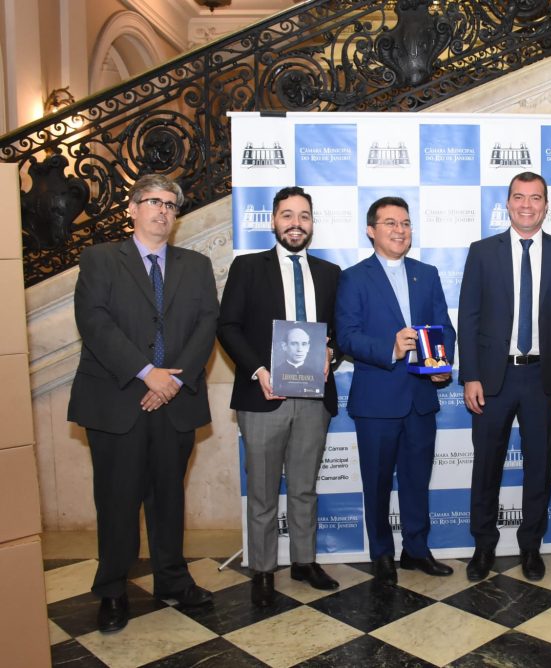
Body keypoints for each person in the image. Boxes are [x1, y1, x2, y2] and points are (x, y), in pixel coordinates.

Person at [68, 174, 218, 632]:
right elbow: (94, 322)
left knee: (169, 497)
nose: (162, 211)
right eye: (152, 202)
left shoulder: (196, 264)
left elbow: (207, 323)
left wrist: (171, 382)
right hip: (117, 402)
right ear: (131, 209)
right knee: (117, 500)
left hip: (175, 400)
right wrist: (146, 373)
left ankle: (172, 579)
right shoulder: (99, 260)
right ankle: (112, 589)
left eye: (171, 205)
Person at [218, 186, 341, 607]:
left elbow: (338, 332)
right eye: (287, 215)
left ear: (312, 223)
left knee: (305, 487)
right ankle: (264, 570)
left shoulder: (329, 273)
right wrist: (258, 370)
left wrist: (332, 351)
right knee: (264, 490)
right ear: (273, 221)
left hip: (313, 399)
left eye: (303, 216)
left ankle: (305, 562)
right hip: (263, 396)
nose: (296, 223)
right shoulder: (248, 267)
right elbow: (228, 326)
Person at [459, 172, 551, 582]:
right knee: (486, 467)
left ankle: (531, 546)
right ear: (507, 203)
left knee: (538, 468)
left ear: (546, 205)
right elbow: (469, 317)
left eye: (535, 198)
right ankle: (483, 547)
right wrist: (470, 376)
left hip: (542, 379)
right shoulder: (482, 252)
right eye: (518, 197)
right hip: (493, 379)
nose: (526, 205)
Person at [336, 196, 456, 583]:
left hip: (421, 398)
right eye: (389, 223)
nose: (399, 230)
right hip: (376, 402)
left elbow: (444, 328)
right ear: (371, 230)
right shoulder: (354, 277)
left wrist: (442, 366)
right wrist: (391, 346)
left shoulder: (428, 272)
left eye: (404, 223)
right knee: (377, 482)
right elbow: (347, 336)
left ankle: (416, 551)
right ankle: (382, 554)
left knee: (417, 480)